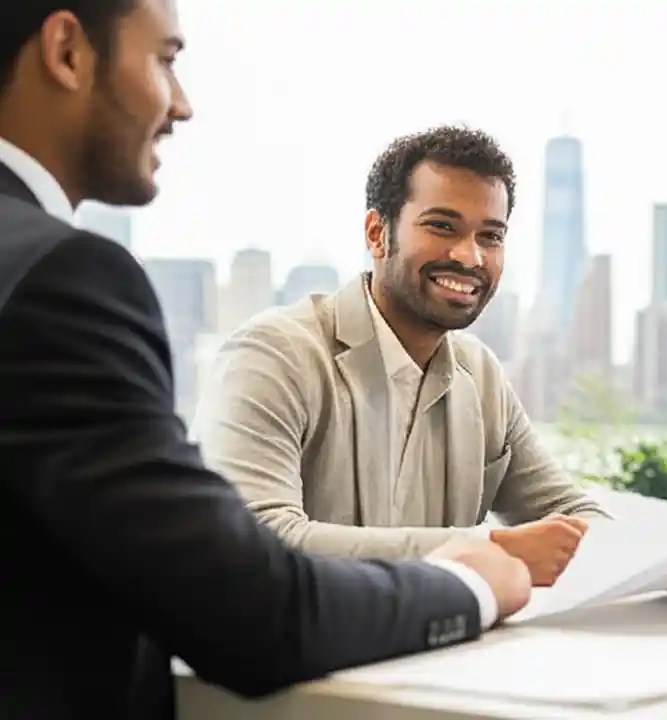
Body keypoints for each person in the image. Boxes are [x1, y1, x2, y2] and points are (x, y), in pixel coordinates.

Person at [0, 2, 532, 718]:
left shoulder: (480, 374)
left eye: (489, 235)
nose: (181, 105)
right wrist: (470, 583)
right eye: (165, 59)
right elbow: (245, 606)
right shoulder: (62, 279)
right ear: (67, 50)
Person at [190, 127, 612, 587]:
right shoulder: (274, 355)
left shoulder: (482, 375)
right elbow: (252, 542)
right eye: (442, 226)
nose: (470, 257)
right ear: (377, 233)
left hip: (434, 653)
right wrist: (486, 550)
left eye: (490, 236)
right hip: (289, 656)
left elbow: (570, 517)